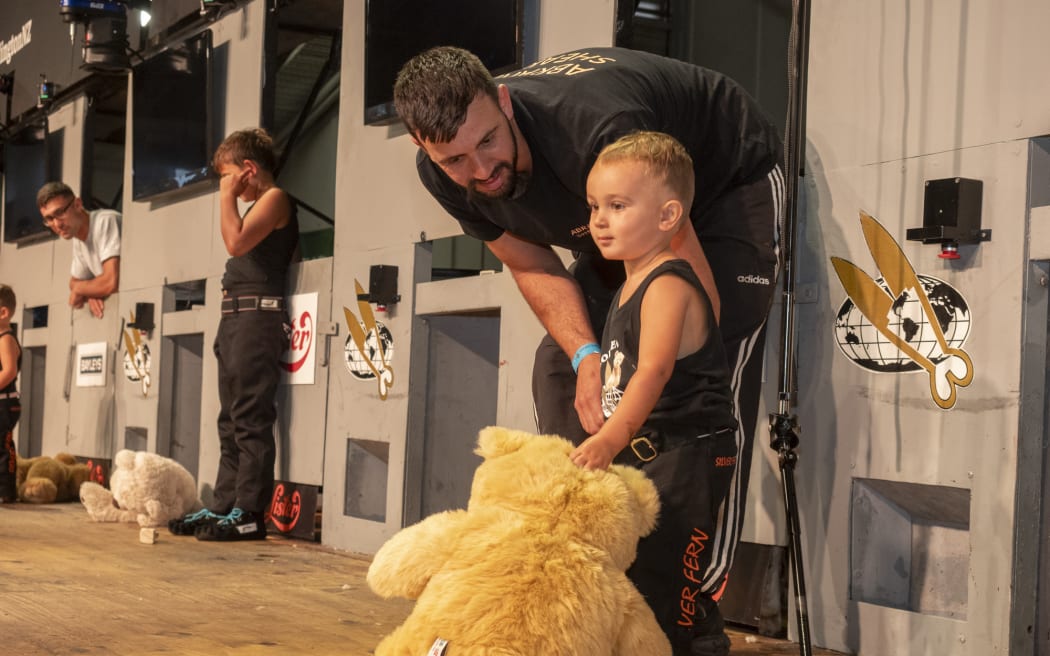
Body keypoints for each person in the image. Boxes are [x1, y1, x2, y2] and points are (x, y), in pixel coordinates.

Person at [394, 46, 783, 653]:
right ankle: (583, 571)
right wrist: (587, 357)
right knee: (557, 366)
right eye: (454, 160)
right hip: (616, 214)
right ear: (425, 150)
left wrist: (678, 350)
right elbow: (528, 259)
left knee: (701, 369)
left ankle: (690, 603)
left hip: (722, 182)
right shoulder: (448, 175)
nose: (480, 170)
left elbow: (690, 286)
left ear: (504, 101)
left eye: (489, 142)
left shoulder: (596, 126)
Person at [570, 131, 739, 655]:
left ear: (668, 217)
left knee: (669, 586)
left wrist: (607, 440)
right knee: (636, 575)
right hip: (649, 449)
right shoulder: (626, 285)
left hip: (689, 454)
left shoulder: (668, 284)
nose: (599, 219)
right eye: (595, 205)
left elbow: (654, 373)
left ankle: (693, 640)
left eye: (618, 206)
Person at [168, 128, 299, 542]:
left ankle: (249, 512)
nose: (226, 186)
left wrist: (226, 197)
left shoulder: (274, 198)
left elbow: (236, 242)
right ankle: (225, 504)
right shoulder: (257, 201)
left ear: (248, 170)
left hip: (258, 318)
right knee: (229, 419)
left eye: (228, 176)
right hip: (234, 318)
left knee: (250, 418)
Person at [36, 182, 122, 319]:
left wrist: (83, 290)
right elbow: (73, 283)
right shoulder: (78, 237)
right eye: (49, 218)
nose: (57, 224)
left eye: (59, 212)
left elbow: (110, 282)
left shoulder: (105, 221)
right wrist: (92, 292)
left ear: (77, 204)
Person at [0, 284, 21, 503]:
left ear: (3, 313)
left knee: (4, 446)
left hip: (5, 404)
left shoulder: (5, 338)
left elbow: (9, 371)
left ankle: (6, 492)